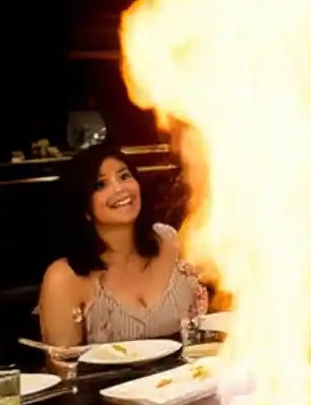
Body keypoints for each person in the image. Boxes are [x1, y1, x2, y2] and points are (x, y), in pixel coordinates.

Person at [38, 144, 207, 346]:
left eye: (124, 176)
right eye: (101, 185)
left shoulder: (169, 240)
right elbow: (63, 369)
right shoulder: (64, 278)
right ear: (84, 207)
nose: (119, 189)